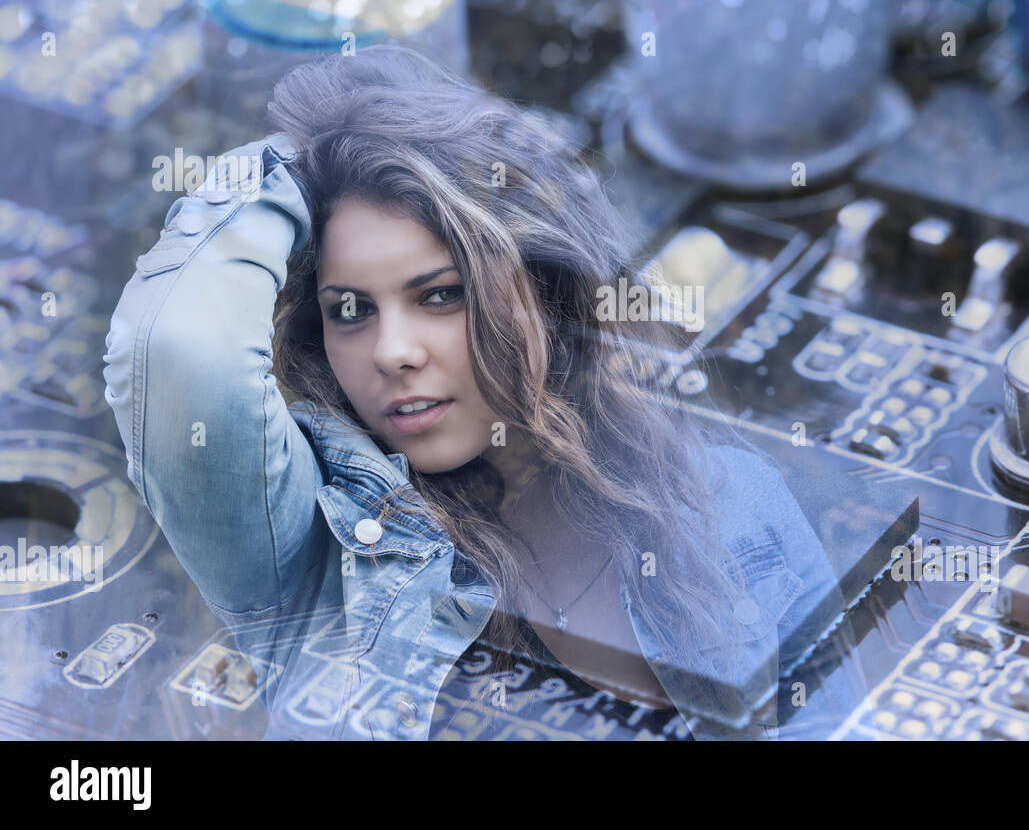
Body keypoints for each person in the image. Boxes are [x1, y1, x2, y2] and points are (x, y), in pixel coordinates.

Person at [102, 43, 868, 740]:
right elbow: (178, 349)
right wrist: (310, 159)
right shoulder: (314, 555)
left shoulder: (733, 505)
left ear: (544, 292)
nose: (393, 352)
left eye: (439, 296)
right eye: (350, 310)